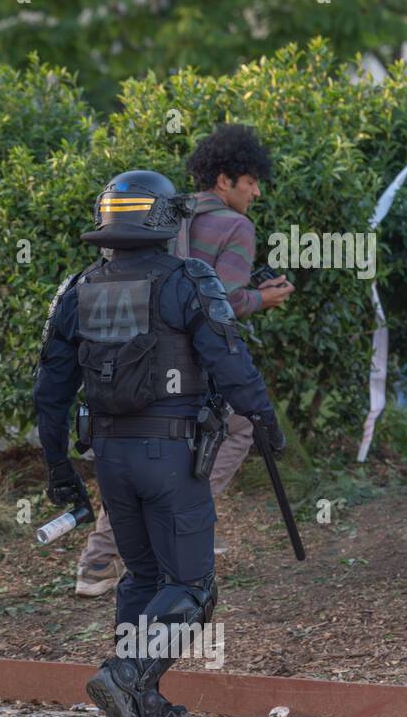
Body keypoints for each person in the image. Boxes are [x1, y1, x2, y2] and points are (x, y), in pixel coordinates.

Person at [34, 169, 283, 717]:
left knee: (144, 576)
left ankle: (141, 698)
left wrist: (59, 471)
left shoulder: (78, 289)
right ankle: (124, 675)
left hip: (111, 459)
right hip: (172, 455)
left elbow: (49, 393)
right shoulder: (188, 279)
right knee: (193, 585)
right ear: (167, 219)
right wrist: (265, 419)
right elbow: (228, 358)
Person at [76, 125, 292, 597]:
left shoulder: (162, 215)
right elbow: (223, 303)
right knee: (234, 428)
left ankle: (96, 562)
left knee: (135, 437)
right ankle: (179, 523)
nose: (256, 191)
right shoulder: (236, 227)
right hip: (193, 365)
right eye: (250, 180)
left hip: (132, 362)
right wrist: (263, 298)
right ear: (223, 180)